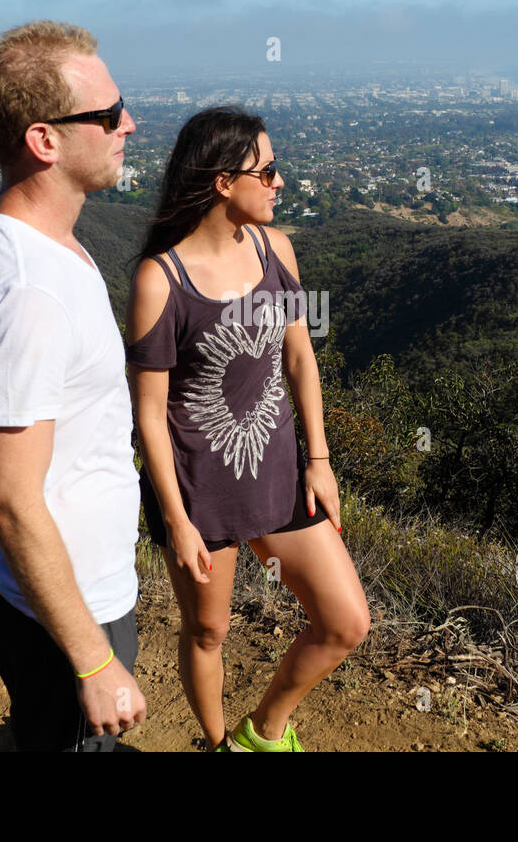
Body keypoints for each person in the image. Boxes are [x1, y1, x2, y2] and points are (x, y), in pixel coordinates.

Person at [125, 105, 370, 752]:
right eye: (268, 170)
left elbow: (299, 357)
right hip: (200, 490)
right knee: (209, 630)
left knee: (345, 619)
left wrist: (319, 457)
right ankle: (216, 746)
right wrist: (177, 519)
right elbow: (148, 411)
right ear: (223, 181)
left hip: (280, 475)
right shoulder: (160, 279)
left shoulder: (275, 248)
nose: (280, 182)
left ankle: (263, 731)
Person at [0, 20, 147, 751]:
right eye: (107, 113)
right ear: (44, 140)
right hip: (62, 614)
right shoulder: (25, 290)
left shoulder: (45, 246)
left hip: (63, 598)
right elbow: (12, 498)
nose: (129, 122)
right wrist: (92, 660)